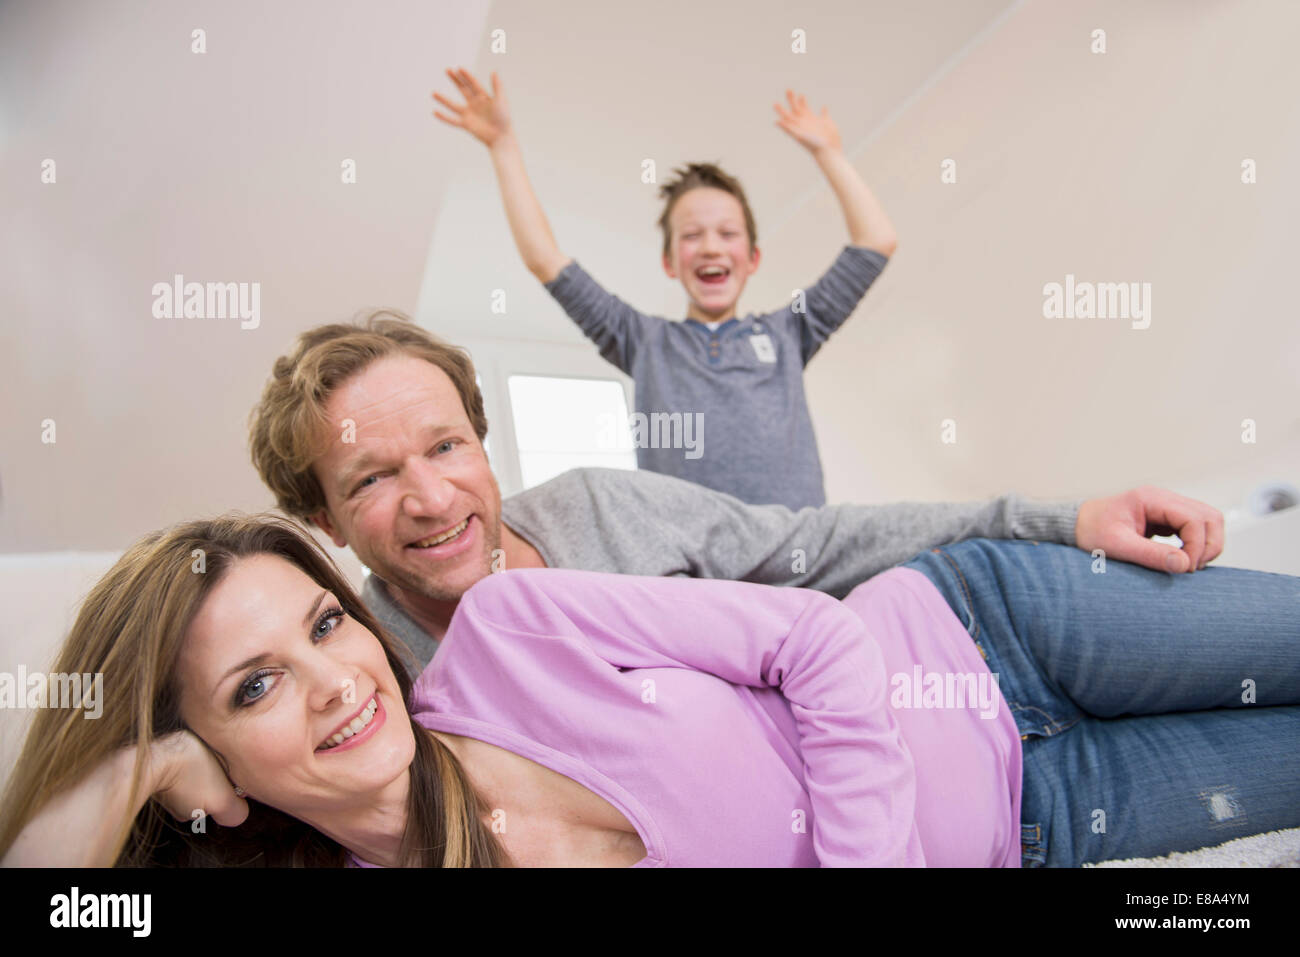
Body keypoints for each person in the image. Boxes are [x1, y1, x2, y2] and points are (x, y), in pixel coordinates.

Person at [2, 516, 1294, 868]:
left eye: (326, 621)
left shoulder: (507, 631)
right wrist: (126, 768)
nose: (342, 677)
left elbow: (818, 642)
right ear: (210, 758)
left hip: (994, 630)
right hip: (1047, 826)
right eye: (258, 683)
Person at [248, 311, 1226, 673]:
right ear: (325, 519)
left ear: (480, 440)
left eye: (446, 446)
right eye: (372, 479)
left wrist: (1057, 519)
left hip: (990, 617)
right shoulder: (363, 677)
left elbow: (816, 541)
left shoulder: (596, 508)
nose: (428, 496)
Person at [433, 67, 898, 509]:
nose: (711, 247)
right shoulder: (642, 341)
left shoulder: (789, 333)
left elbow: (876, 241)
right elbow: (545, 259)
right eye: (692, 236)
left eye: (728, 234)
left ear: (753, 258)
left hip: (799, 563)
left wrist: (829, 154)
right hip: (691, 571)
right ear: (670, 262)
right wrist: (503, 147)